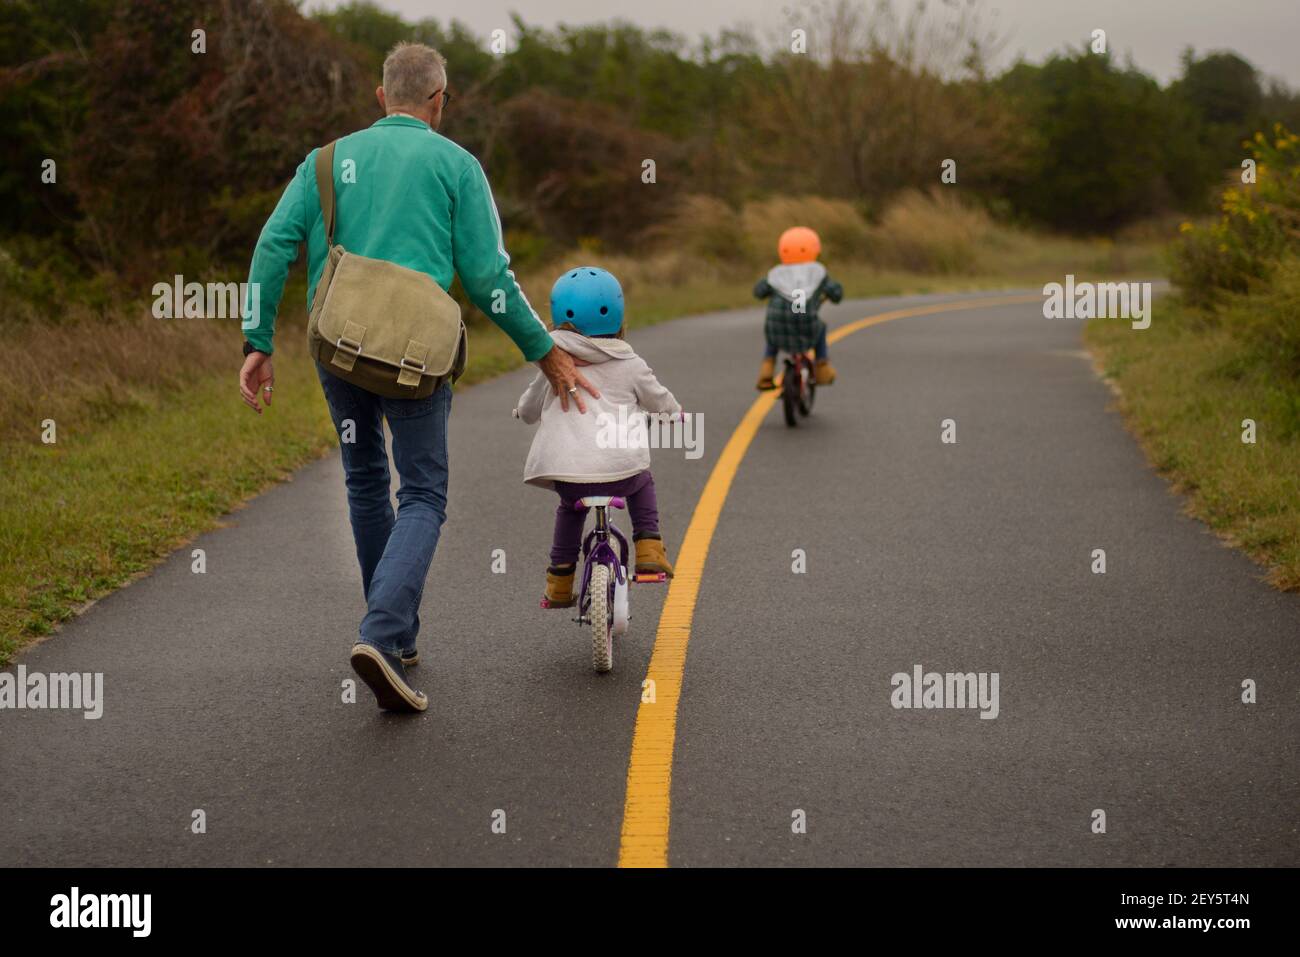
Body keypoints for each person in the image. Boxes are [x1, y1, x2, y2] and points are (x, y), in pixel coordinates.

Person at [236, 42, 597, 713]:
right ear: (439, 100)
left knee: (365, 477)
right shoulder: (457, 165)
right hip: (416, 359)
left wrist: (258, 340)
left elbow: (271, 245)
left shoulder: (324, 161)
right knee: (424, 492)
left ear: (381, 97)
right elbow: (489, 279)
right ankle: (383, 630)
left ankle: (393, 636)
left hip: (338, 346)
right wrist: (543, 349)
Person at [514, 267, 679, 607]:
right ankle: (648, 546)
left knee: (570, 510)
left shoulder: (553, 362)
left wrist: (521, 412)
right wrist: (674, 413)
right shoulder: (629, 361)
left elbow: (529, 409)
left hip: (570, 474)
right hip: (623, 471)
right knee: (642, 481)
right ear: (617, 315)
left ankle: (559, 582)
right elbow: (657, 398)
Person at [753, 226, 843, 390]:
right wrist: (835, 295)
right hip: (804, 318)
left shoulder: (777, 273)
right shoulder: (816, 271)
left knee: (774, 332)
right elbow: (835, 292)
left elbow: (759, 291)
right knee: (820, 328)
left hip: (778, 322)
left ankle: (766, 371)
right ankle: (822, 367)